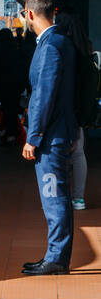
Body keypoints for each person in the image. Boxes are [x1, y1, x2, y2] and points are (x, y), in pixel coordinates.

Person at [21, 0, 77, 276]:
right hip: (60, 132)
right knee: (58, 196)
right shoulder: (61, 42)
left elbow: (44, 95)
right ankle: (55, 255)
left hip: (51, 138)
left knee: (53, 196)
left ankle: (56, 258)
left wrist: (33, 136)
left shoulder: (50, 46)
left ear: (30, 14)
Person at [56, 12, 93, 210]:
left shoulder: (64, 49)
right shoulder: (86, 50)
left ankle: (62, 196)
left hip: (66, 111)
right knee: (79, 154)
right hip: (80, 113)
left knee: (62, 154)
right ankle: (78, 197)